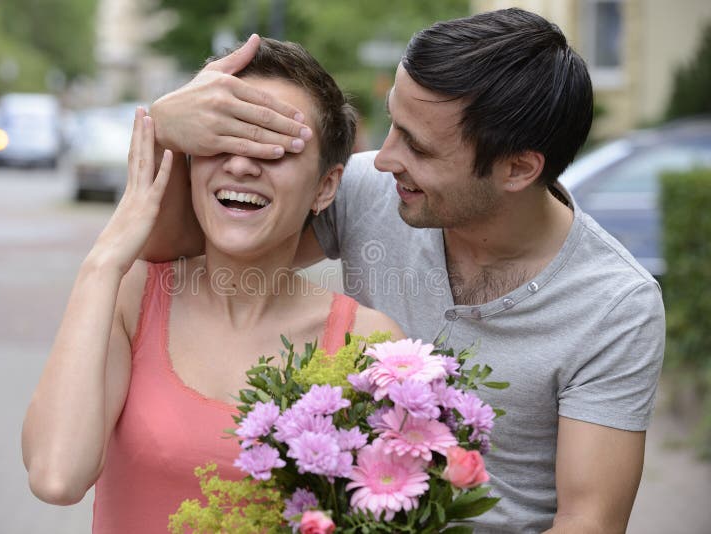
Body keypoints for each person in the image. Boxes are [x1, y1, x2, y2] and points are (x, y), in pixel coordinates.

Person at [144, 9, 666, 534]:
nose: (386, 157)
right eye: (393, 122)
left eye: (417, 145)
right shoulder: (375, 192)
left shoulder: (615, 306)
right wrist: (161, 129)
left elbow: (588, 520)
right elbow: (183, 252)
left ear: (518, 169)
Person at [21, 38, 403, 533]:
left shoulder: (369, 345)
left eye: (276, 146)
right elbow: (57, 477)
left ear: (325, 187)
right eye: (221, 140)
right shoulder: (132, 298)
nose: (242, 164)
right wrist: (104, 260)